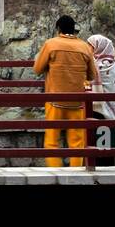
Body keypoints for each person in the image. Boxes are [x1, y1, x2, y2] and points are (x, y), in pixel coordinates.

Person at [32, 15, 98, 167]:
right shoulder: (84, 47)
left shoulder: (51, 44)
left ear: (58, 29)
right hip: (77, 103)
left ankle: (56, 174)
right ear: (74, 30)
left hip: (55, 101)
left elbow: (37, 69)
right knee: (77, 142)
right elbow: (92, 75)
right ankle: (75, 175)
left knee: (52, 141)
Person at [88, 33, 115, 166]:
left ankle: (100, 166)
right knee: (106, 141)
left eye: (91, 46)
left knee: (99, 139)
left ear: (99, 47)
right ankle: (107, 165)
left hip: (98, 109)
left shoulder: (96, 65)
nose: (89, 49)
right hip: (110, 110)